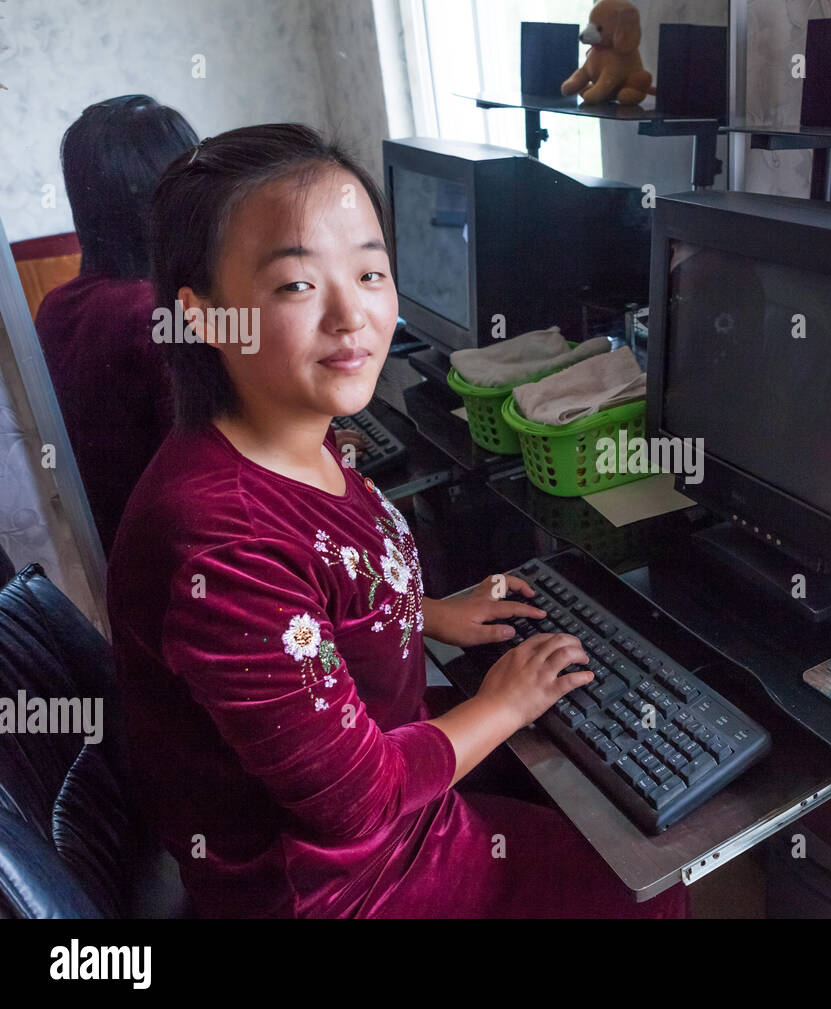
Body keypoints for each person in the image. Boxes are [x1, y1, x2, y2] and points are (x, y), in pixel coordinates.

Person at [105, 124, 688, 919]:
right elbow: (360, 800)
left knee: (605, 804)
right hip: (340, 887)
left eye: (370, 271)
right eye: (296, 286)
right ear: (205, 316)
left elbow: (323, 595)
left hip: (393, 829)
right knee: (646, 887)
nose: (353, 316)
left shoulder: (292, 433)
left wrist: (430, 613)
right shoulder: (222, 540)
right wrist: (503, 704)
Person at [35, 95, 198, 555]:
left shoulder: (57, 305)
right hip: (176, 563)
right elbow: (216, 477)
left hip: (113, 554)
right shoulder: (160, 316)